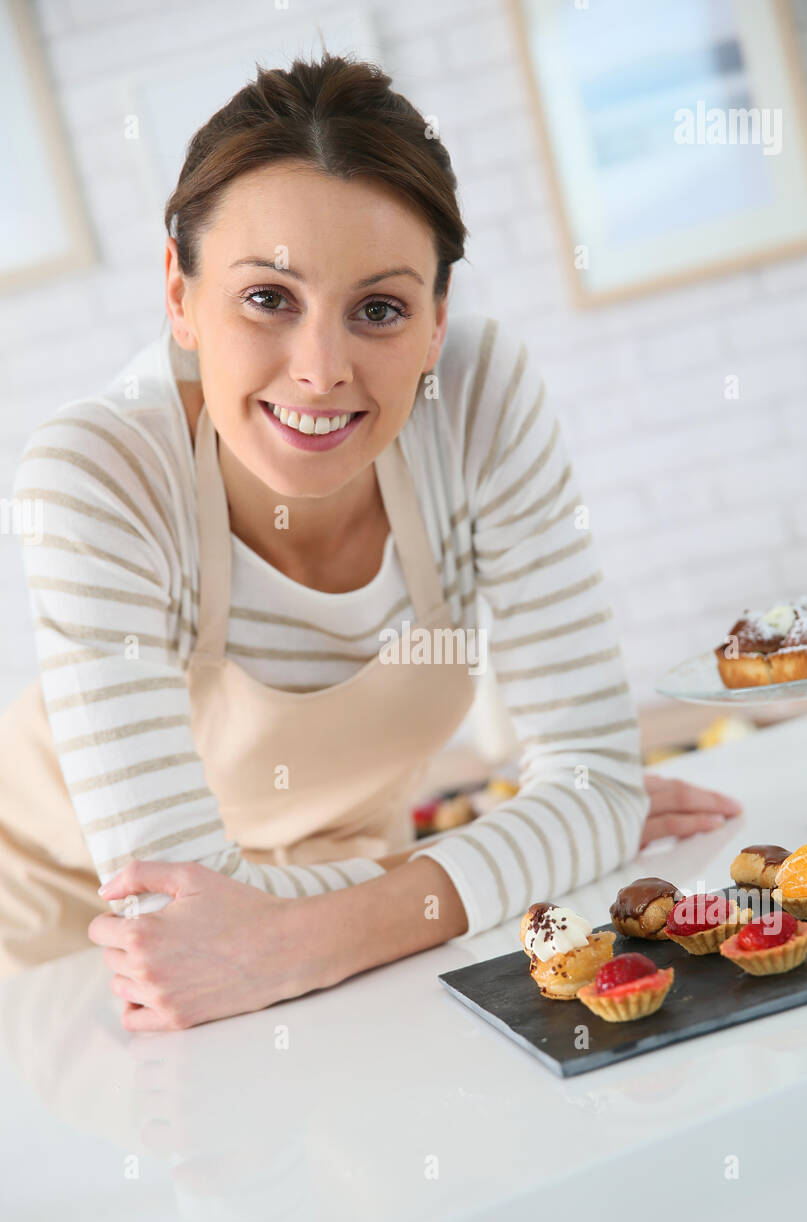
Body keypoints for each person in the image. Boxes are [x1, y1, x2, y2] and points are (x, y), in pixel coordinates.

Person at [1, 53, 740, 1028]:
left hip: (337, 924)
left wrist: (325, 923)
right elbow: (169, 919)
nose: (319, 370)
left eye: (379, 309)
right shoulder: (99, 475)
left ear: (435, 323)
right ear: (179, 293)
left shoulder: (474, 399)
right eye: (268, 297)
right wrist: (530, 843)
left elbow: (599, 781)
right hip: (59, 930)